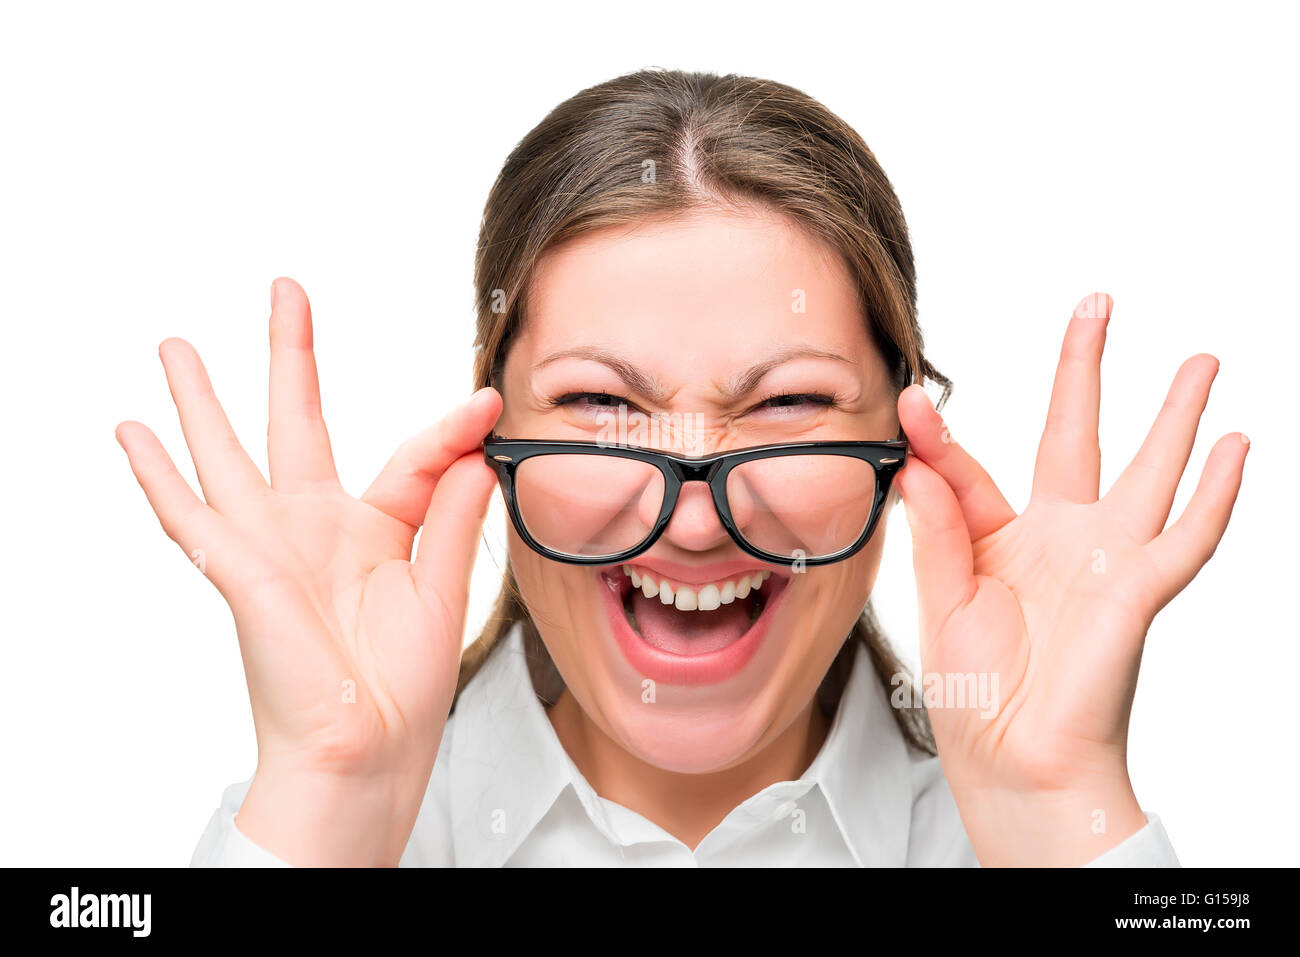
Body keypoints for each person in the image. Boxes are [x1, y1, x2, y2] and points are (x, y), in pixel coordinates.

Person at [116, 70, 1246, 866]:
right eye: (602, 404)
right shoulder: (321, 831)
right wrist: (327, 799)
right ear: (486, 434)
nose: (695, 523)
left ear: (907, 449)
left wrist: (1061, 817)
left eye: (790, 406)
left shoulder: (1028, 839)